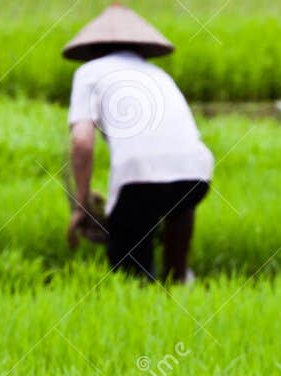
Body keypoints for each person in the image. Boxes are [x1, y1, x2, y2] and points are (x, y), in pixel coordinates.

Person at [64, 5, 214, 282]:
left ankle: (143, 296)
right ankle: (180, 281)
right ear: (140, 47)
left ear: (93, 49)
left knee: (132, 278)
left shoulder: (89, 72)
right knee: (175, 275)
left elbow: (82, 143)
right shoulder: (160, 75)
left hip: (138, 178)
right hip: (195, 174)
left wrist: (83, 205)